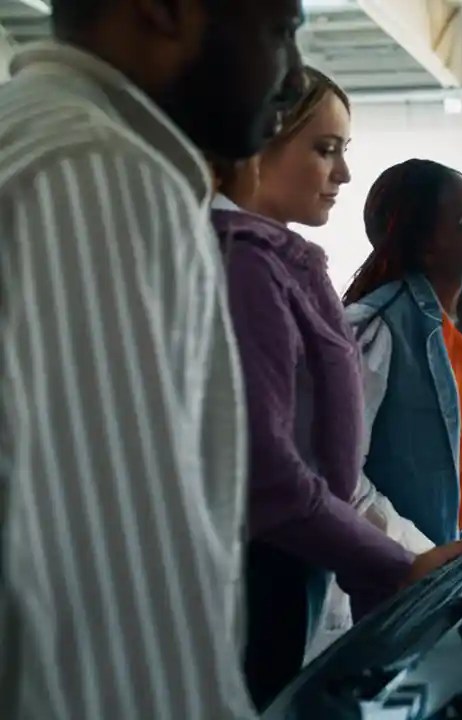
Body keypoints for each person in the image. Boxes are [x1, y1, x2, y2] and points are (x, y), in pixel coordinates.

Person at [0, 1, 303, 718]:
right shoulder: (99, 171)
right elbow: (121, 607)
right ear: (164, 9)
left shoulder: (31, 139)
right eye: (280, 30)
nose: (291, 78)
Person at [210, 68, 462, 709]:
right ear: (257, 142)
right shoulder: (255, 269)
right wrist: (407, 559)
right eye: (325, 149)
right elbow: (298, 474)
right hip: (293, 572)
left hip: (342, 560)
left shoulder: (282, 263)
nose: (343, 174)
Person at [343, 159, 462, 548]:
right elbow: (341, 478)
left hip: (447, 542)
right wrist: (420, 552)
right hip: (394, 563)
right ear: (426, 248)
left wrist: (459, 538)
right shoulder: (376, 329)